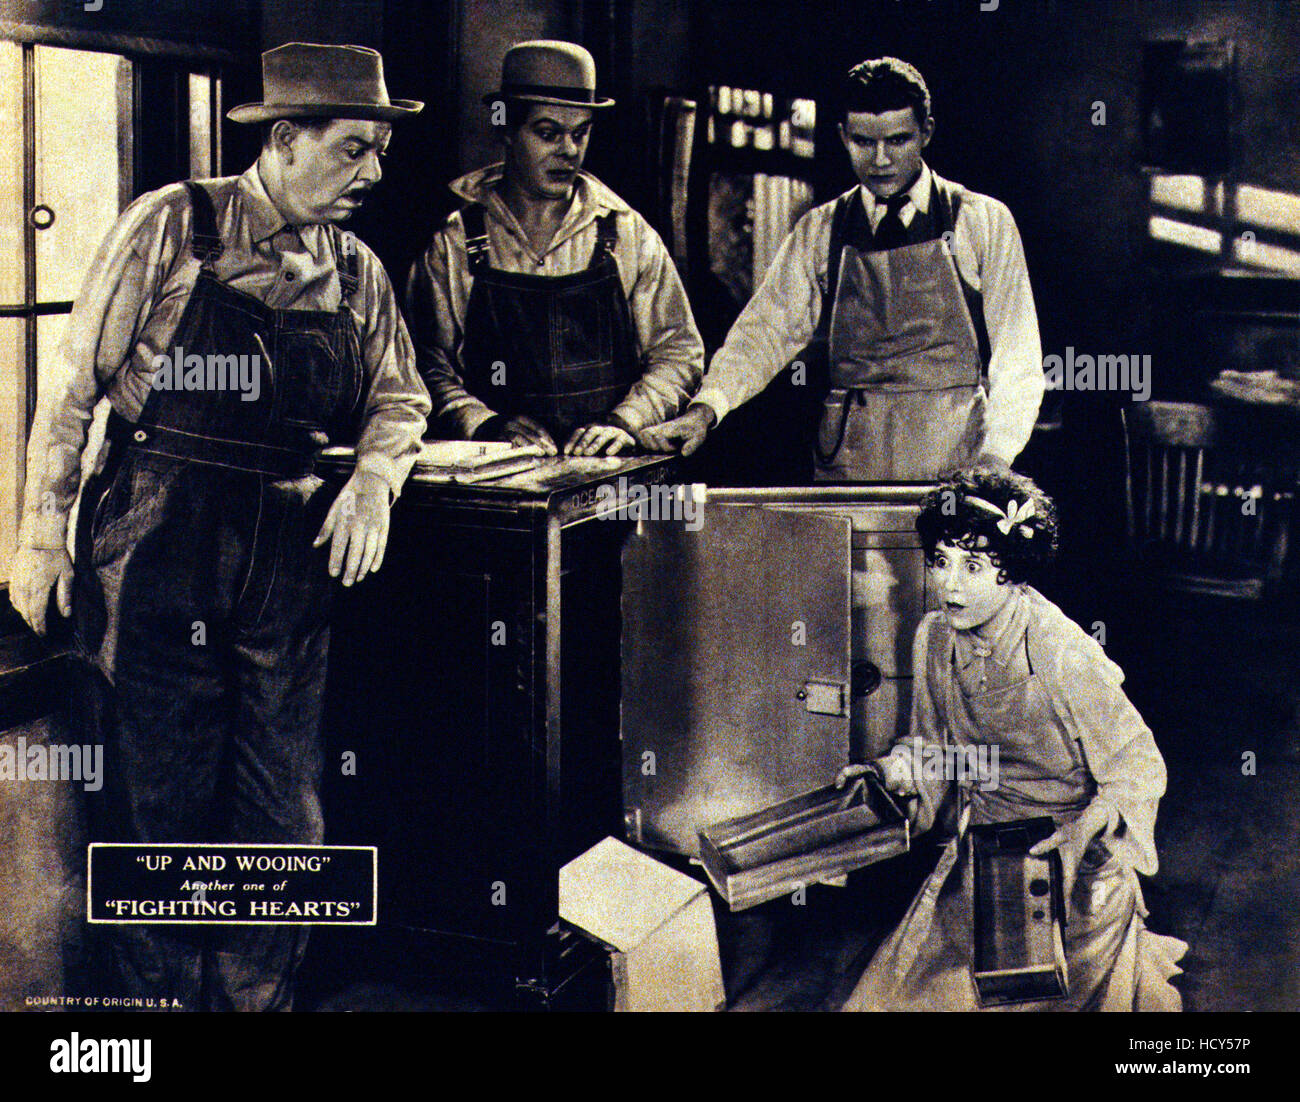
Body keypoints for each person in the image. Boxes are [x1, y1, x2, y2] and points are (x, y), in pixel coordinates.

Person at [8, 42, 431, 1011]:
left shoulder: (356, 270)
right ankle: (150, 1027)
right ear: (285, 139)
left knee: (284, 815)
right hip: (159, 541)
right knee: (155, 808)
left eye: (380, 151)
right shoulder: (173, 228)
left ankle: (254, 1005)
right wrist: (39, 534)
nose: (374, 172)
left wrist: (373, 479)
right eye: (354, 149)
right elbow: (71, 391)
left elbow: (400, 397)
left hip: (288, 560)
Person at [839, 468, 1187, 1011]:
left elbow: (1140, 769)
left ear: (1015, 575)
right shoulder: (932, 637)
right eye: (940, 562)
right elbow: (933, 754)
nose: (949, 585)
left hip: (1076, 856)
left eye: (973, 567)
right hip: (987, 852)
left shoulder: (1061, 649)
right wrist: (886, 775)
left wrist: (1076, 840)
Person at [642, 57, 1045, 482]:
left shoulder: (982, 220)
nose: (881, 159)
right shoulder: (821, 228)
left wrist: (995, 460)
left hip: (955, 459)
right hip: (850, 464)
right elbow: (764, 332)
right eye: (863, 143)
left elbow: (1018, 357)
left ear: (927, 131)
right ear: (842, 136)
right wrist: (706, 410)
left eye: (898, 140)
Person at [406, 39, 704, 457]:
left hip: (607, 478)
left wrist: (627, 421)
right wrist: (483, 423)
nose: (569, 151)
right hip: (497, 480)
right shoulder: (455, 242)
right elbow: (426, 364)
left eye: (580, 134)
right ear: (507, 128)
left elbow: (679, 353)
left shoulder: (627, 234)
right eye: (548, 134)